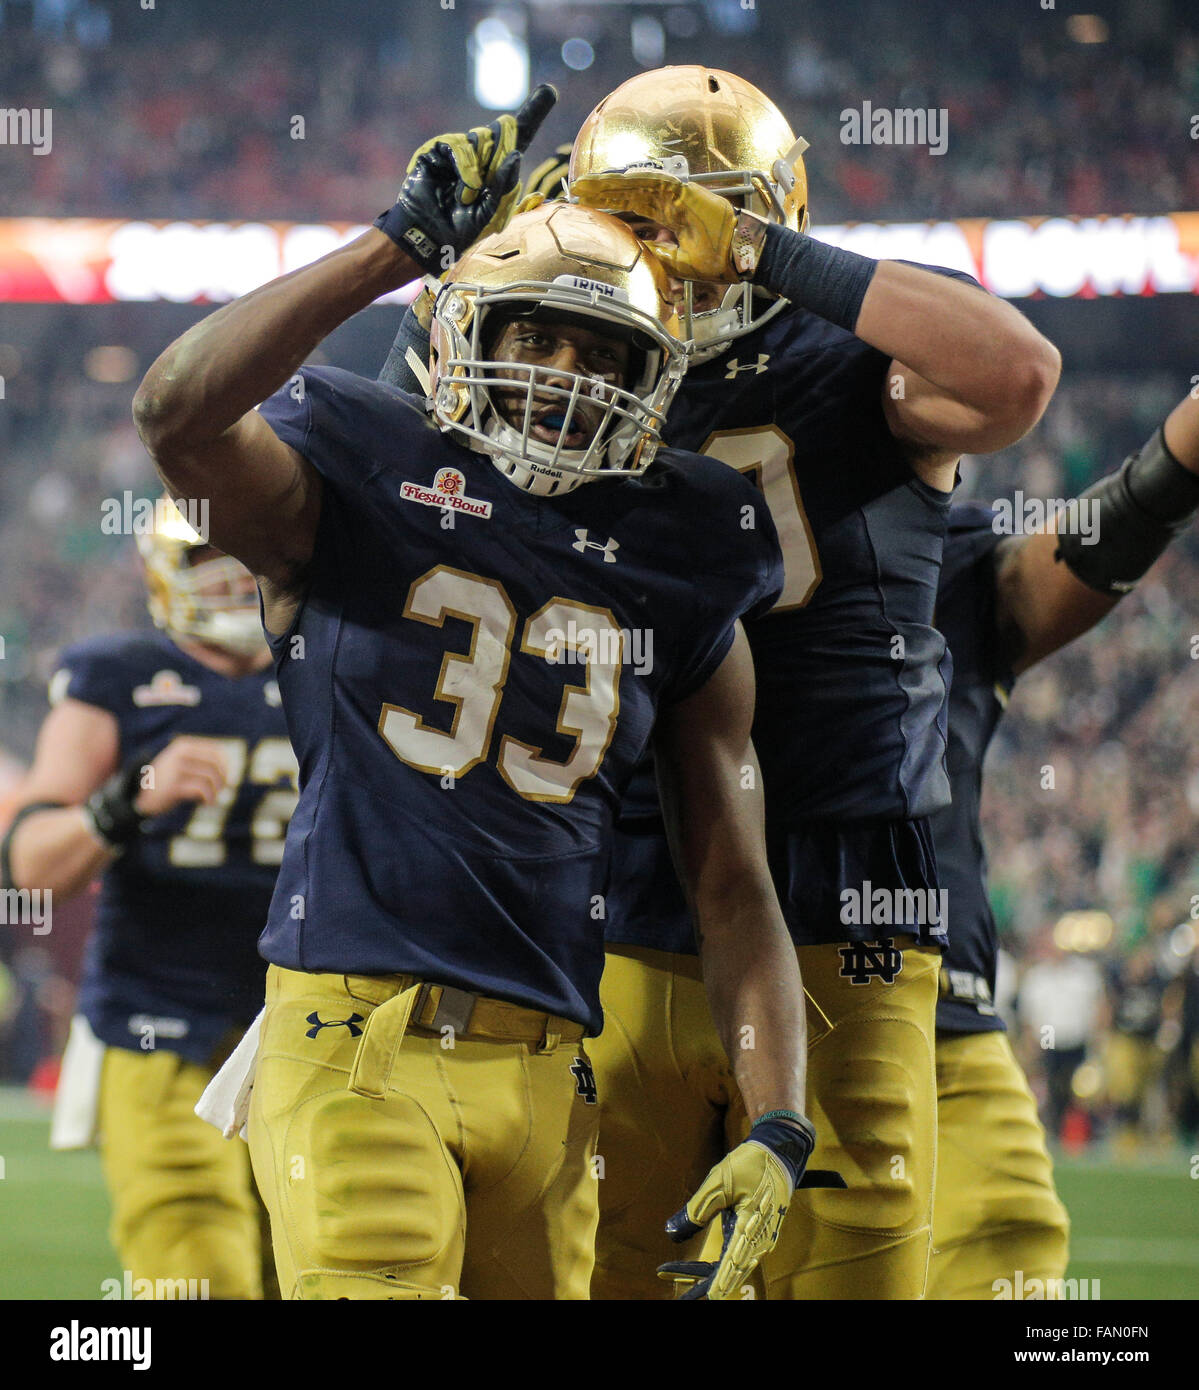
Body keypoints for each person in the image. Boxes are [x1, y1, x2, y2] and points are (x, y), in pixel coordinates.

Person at [132, 99, 820, 1301]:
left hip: (555, 1071)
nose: (565, 379)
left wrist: (777, 1123)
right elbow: (176, 412)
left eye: (603, 354)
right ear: (461, 334)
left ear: (656, 377)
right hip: (360, 1042)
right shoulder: (357, 466)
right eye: (536, 337)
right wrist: (393, 245)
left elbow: (731, 881)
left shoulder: (686, 545)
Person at [560, 65, 1058, 1301]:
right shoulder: (587, 364)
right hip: (637, 856)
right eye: (640, 219)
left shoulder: (854, 361)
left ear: (765, 209)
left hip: (846, 866)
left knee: (851, 1263)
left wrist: (775, 259)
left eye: (697, 215)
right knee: (630, 1258)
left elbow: (1015, 375)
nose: (671, 249)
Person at [931, 385, 1199, 1296]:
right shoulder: (714, 549)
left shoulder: (950, 568)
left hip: (936, 1024)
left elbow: (1015, 369)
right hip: (718, 1008)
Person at [1, 504, 297, 1299]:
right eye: (209, 558)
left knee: (316, 1273)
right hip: (159, 1023)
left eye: (249, 549)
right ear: (165, 569)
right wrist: (129, 799)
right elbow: (31, 864)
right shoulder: (121, 672)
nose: (235, 575)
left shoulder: (325, 661)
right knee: (198, 1273)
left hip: (310, 1026)